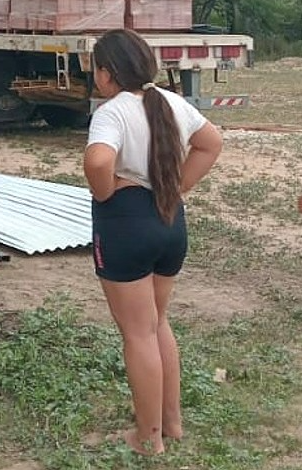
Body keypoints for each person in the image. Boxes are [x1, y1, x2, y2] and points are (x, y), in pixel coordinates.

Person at [83, 29, 222, 456]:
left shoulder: (112, 112)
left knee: (138, 334)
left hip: (127, 224)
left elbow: (98, 160)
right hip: (169, 222)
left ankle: (148, 439)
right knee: (158, 323)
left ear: (106, 74)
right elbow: (211, 142)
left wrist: (106, 191)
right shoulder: (171, 102)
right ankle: (171, 423)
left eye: (95, 70)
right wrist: (176, 187)